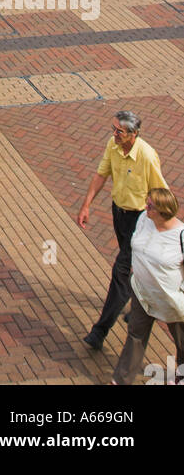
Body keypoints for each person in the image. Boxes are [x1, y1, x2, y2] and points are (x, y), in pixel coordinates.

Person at [78, 109, 167, 350]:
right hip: (119, 214)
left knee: (121, 273)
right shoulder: (113, 145)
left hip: (140, 220)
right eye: (113, 129)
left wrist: (159, 227)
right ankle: (143, 302)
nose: (114, 134)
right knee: (133, 268)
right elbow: (101, 174)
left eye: (120, 131)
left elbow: (162, 194)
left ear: (133, 134)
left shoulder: (147, 156)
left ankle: (99, 331)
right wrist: (86, 205)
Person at [111, 187, 184, 385]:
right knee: (135, 336)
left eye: (150, 205)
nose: (145, 207)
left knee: (182, 341)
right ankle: (120, 380)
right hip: (142, 293)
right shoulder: (145, 218)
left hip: (171, 299)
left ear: (163, 211)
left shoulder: (180, 236)